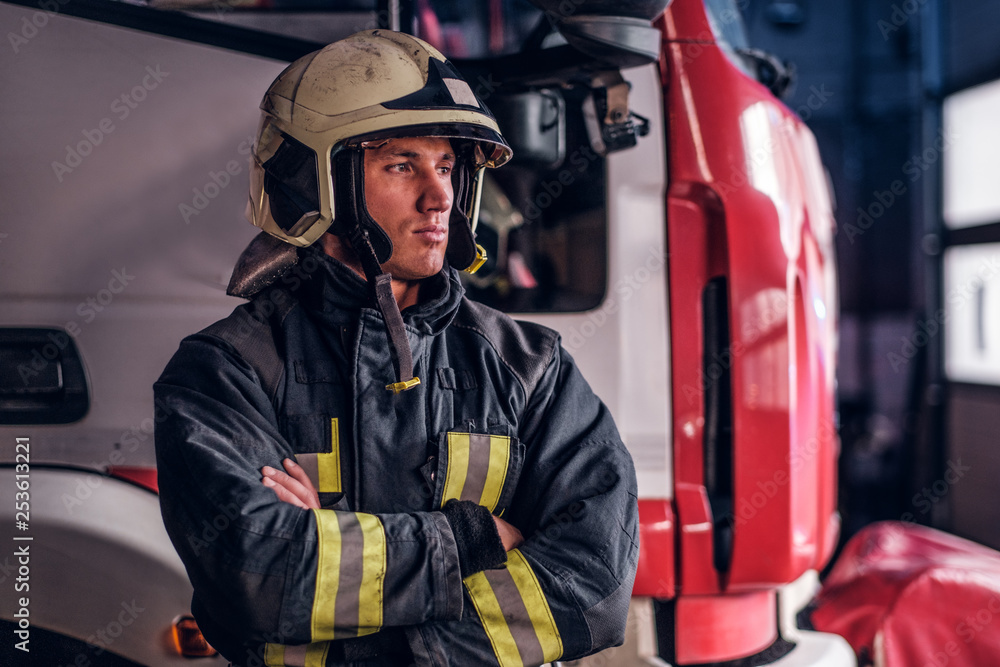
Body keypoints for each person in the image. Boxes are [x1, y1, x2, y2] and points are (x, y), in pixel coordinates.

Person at [154, 29, 638, 667]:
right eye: (402, 164)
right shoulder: (225, 371)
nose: (440, 198)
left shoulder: (529, 366)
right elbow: (259, 575)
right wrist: (476, 539)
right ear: (319, 180)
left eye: (446, 167)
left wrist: (343, 588)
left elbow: (594, 590)